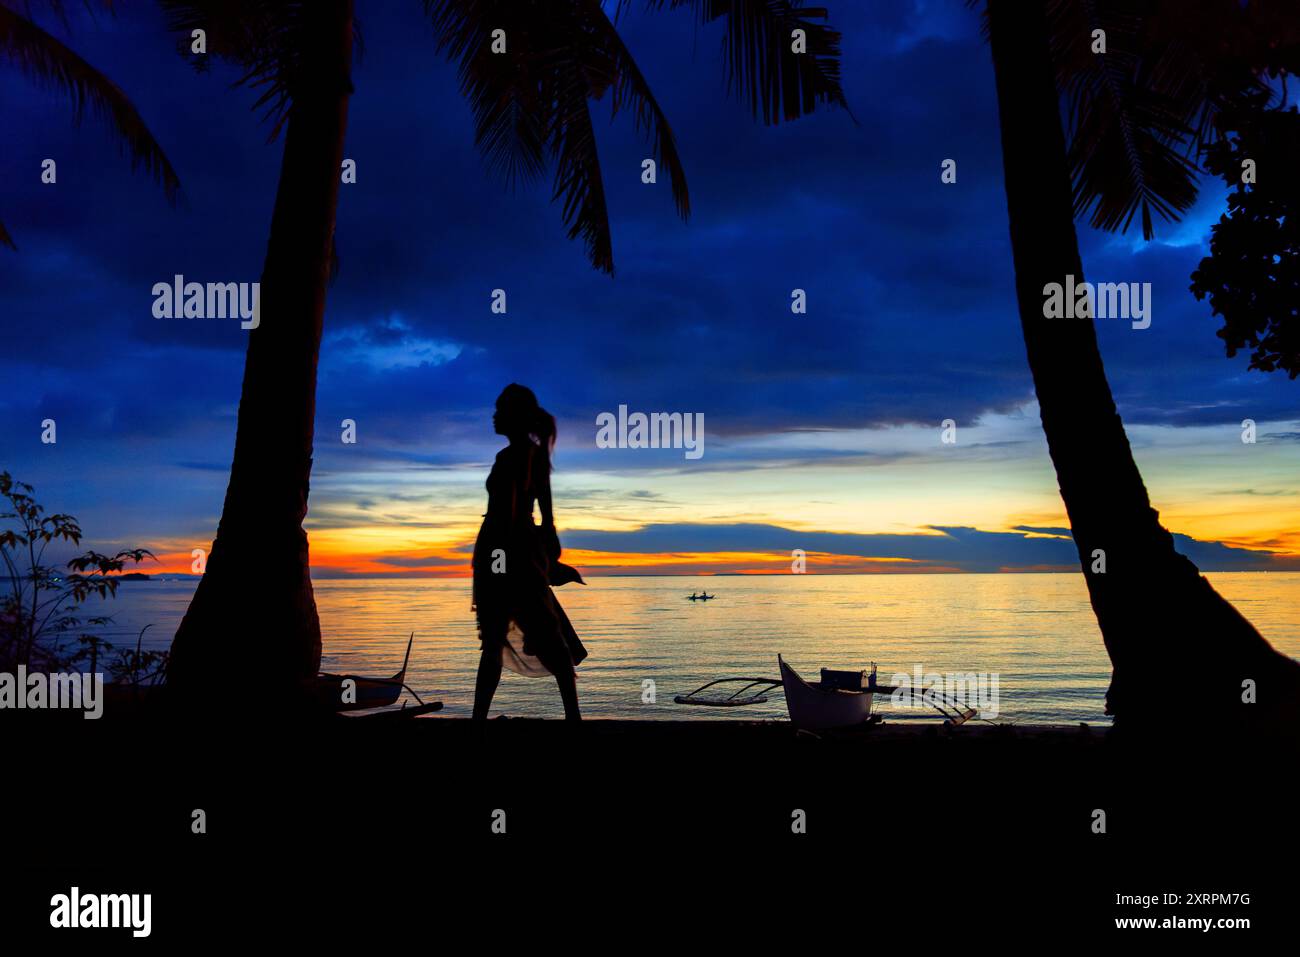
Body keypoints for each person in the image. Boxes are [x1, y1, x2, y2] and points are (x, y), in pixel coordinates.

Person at [471, 384, 587, 721]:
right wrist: (547, 555)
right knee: (506, 637)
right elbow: (548, 518)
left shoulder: (519, 457)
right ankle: (572, 717)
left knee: (515, 636)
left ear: (513, 415)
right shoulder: (525, 456)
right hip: (511, 548)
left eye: (499, 410)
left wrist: (540, 557)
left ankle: (480, 721)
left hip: (507, 548)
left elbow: (534, 515)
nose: (493, 416)